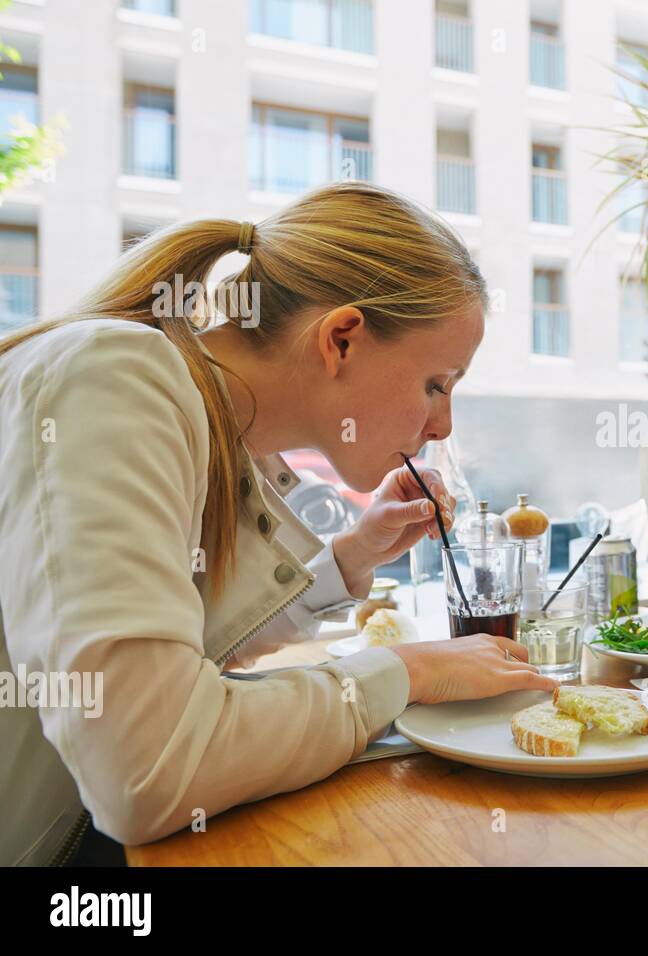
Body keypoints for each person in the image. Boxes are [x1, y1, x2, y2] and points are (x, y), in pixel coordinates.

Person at [0, 181, 558, 866]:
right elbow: (144, 771)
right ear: (343, 339)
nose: (442, 424)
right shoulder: (116, 379)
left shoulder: (201, 419)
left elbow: (177, 657)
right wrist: (402, 674)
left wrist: (352, 558)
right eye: (436, 384)